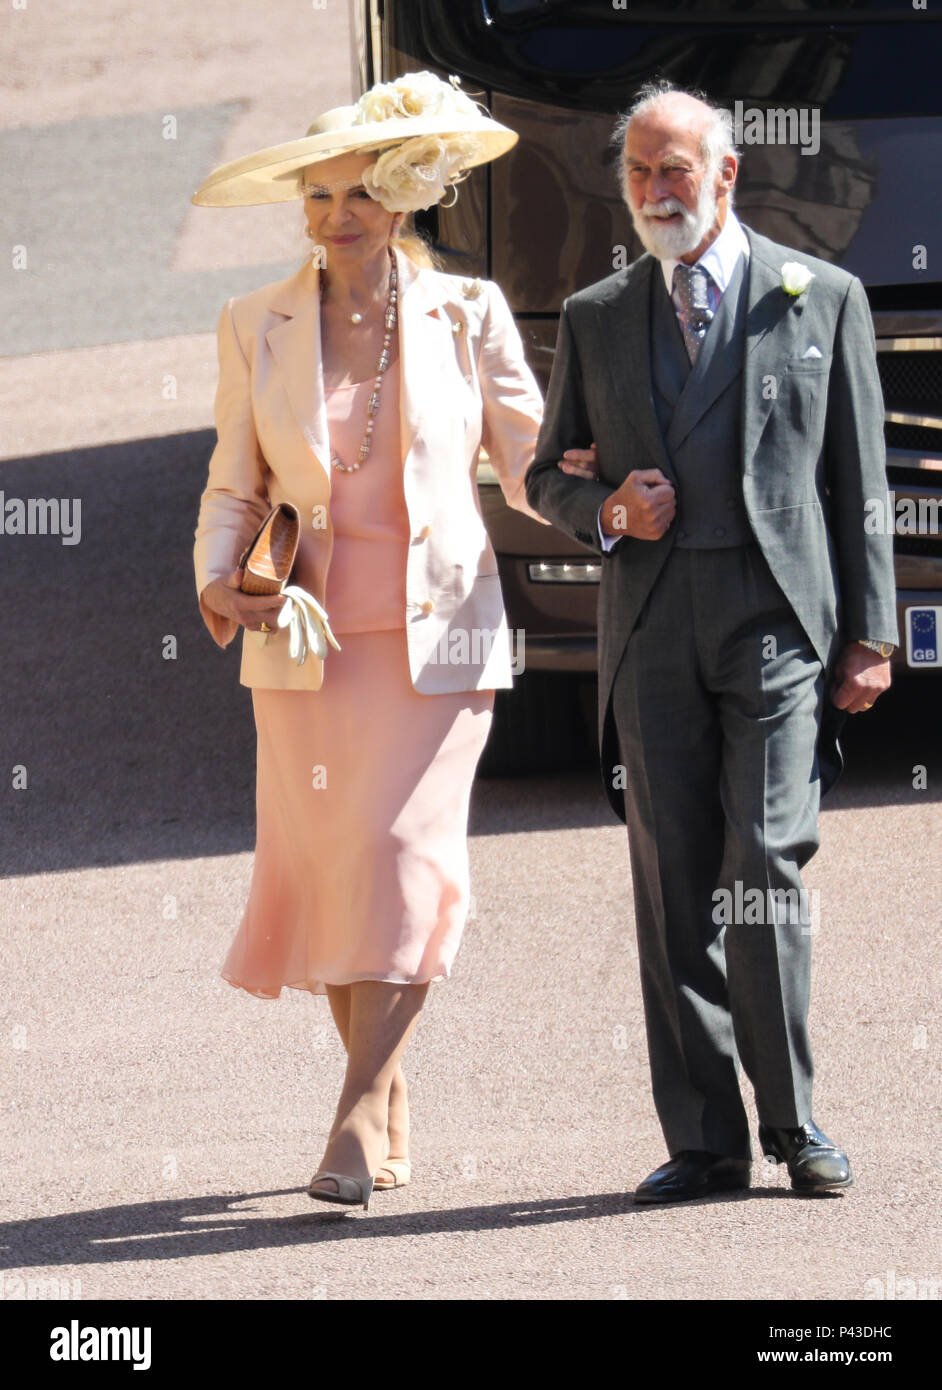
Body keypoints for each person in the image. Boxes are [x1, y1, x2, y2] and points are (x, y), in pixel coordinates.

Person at [525, 81, 898, 1204]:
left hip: (776, 624)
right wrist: (608, 515)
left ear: (725, 174)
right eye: (635, 173)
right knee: (673, 878)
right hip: (650, 626)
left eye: (672, 170)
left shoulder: (820, 296)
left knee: (767, 861)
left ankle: (791, 1123)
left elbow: (859, 483)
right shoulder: (596, 315)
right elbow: (547, 473)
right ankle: (705, 1140)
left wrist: (871, 634)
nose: (651, 192)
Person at [191, 72, 558, 1211]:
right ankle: (386, 1097)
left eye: (358, 195)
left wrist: (610, 503)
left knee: (403, 857)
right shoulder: (256, 321)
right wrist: (217, 583)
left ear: (403, 199)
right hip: (303, 648)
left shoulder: (470, 310)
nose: (337, 216)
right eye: (319, 197)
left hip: (434, 642)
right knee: (340, 870)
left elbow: (532, 460)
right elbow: (232, 485)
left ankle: (352, 1116)